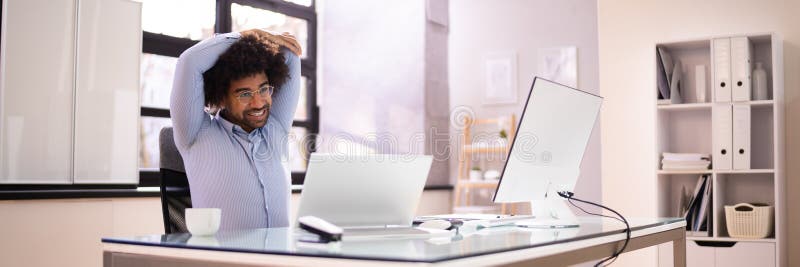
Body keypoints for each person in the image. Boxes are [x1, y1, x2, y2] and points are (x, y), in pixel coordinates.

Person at [170, 29, 302, 229]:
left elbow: (291, 53)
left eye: (264, 89)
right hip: (224, 259)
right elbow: (189, 62)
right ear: (222, 97)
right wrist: (248, 35)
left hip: (282, 258)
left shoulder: (275, 128)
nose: (258, 103)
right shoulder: (195, 134)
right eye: (244, 94)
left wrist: (264, 41)